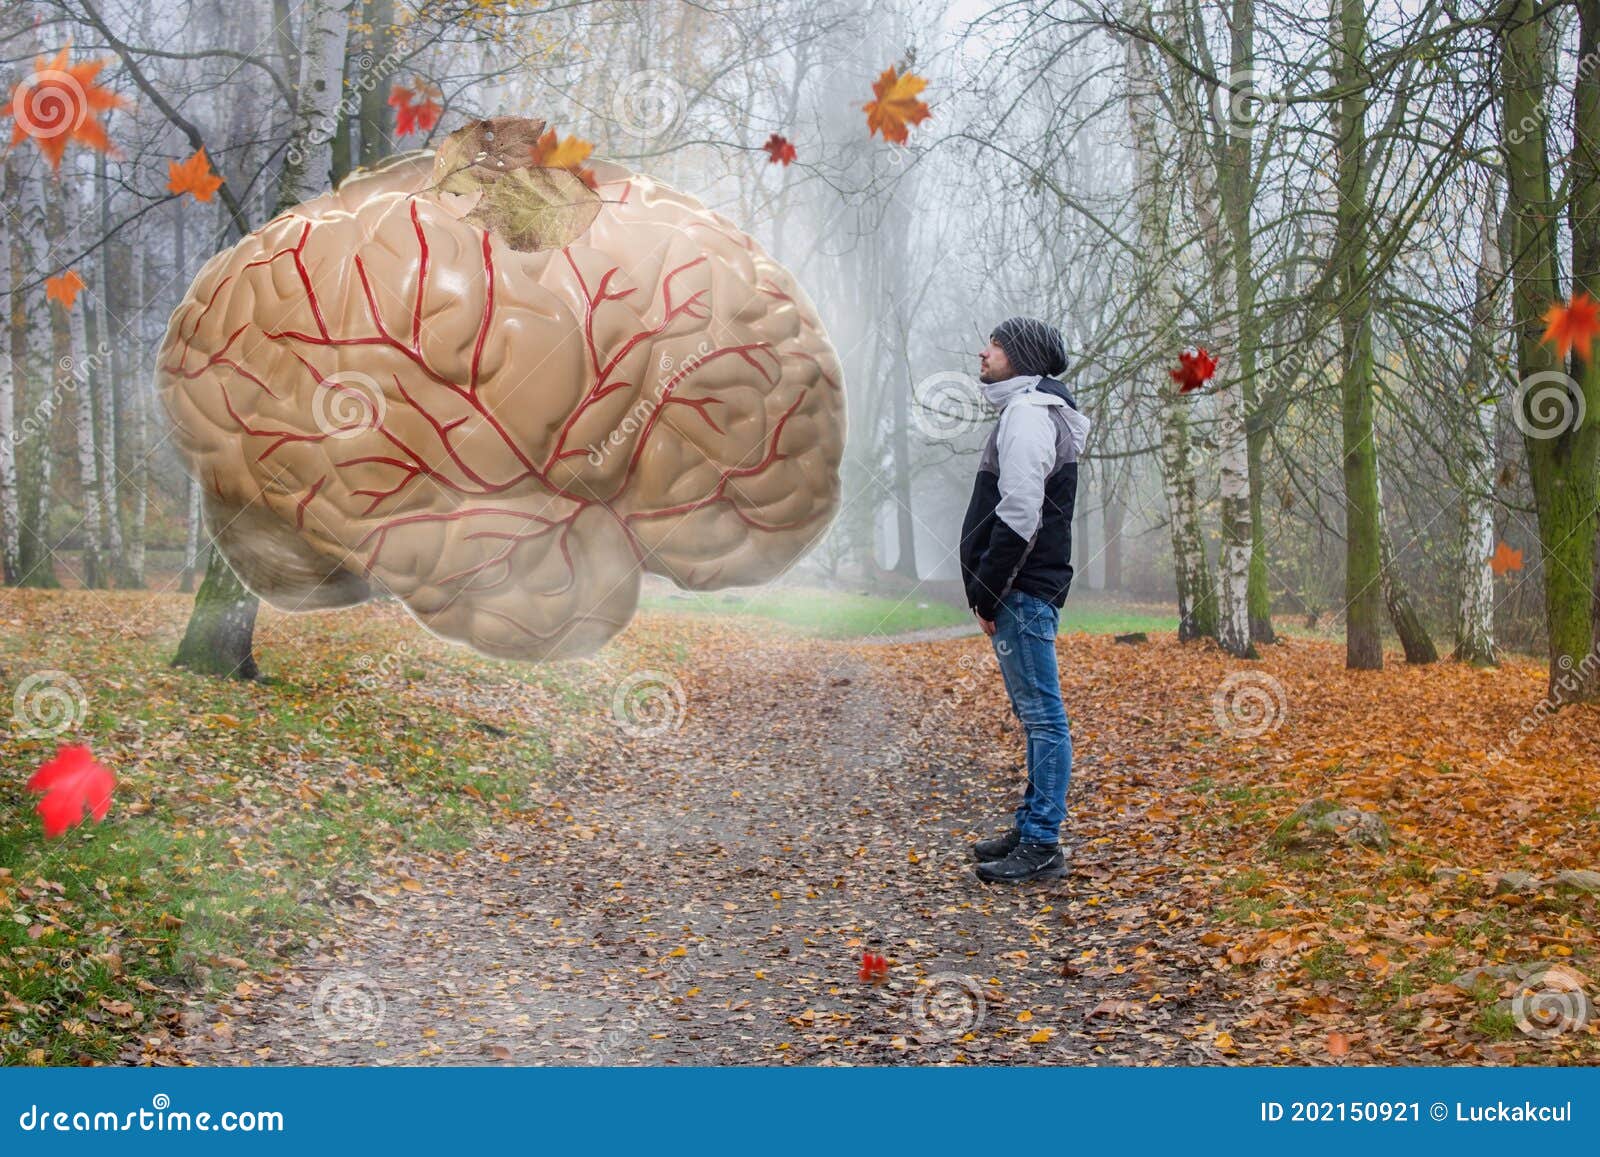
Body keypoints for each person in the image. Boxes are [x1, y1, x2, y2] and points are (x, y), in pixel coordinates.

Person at [958, 316, 1091, 884]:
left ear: (1021, 356)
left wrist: (988, 591)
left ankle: (1041, 842)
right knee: (1035, 716)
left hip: (1022, 590)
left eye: (995, 344)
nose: (983, 352)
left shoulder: (1029, 415)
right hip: (1021, 589)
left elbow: (1018, 511)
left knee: (1044, 718)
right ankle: (1031, 824)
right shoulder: (1027, 411)